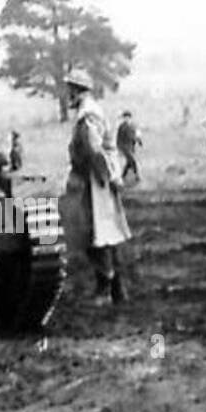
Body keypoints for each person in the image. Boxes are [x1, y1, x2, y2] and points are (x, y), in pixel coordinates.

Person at [65, 68, 131, 305]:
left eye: (70, 88)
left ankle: (106, 289)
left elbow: (94, 150)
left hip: (94, 180)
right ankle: (117, 290)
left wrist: (106, 177)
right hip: (99, 177)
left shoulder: (87, 115)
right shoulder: (92, 110)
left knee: (95, 234)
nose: (68, 93)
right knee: (106, 234)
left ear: (76, 90)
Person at [116, 112, 141, 181]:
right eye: (125, 118)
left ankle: (122, 176)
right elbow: (118, 138)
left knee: (129, 163)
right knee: (133, 161)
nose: (126, 119)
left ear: (130, 118)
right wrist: (119, 148)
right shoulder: (122, 127)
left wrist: (139, 141)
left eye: (127, 117)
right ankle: (137, 176)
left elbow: (137, 135)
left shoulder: (133, 126)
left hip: (131, 147)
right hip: (125, 147)